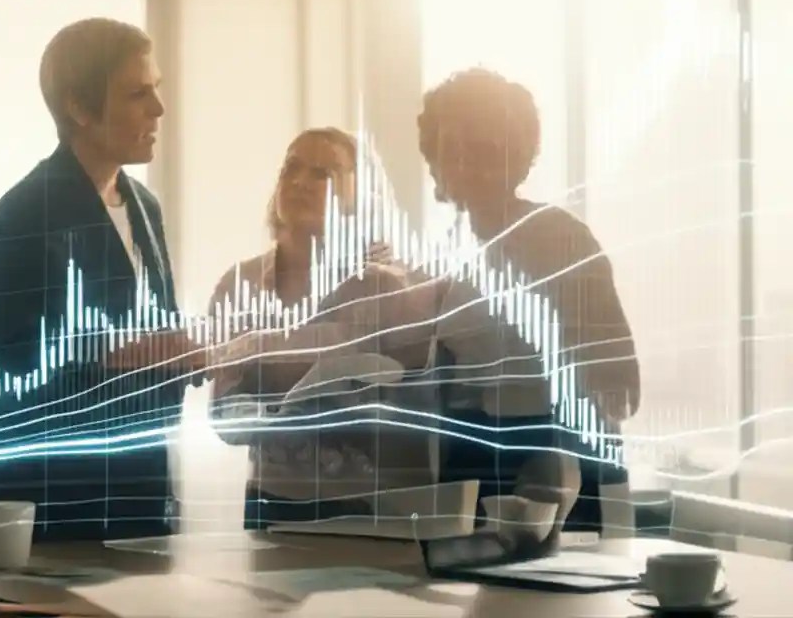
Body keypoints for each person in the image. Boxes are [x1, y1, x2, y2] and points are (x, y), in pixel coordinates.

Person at [0, 18, 198, 542]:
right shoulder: (25, 210)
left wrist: (183, 355)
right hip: (53, 491)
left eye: (156, 89)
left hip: (137, 484)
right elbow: (14, 356)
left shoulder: (144, 206)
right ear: (78, 107)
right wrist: (137, 351)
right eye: (138, 94)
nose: (159, 109)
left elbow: (152, 332)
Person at [417, 67, 640, 535]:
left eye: (482, 149)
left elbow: (616, 381)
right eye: (451, 150)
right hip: (471, 458)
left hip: (553, 463)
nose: (465, 164)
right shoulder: (445, 251)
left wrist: (558, 454)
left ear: (513, 156)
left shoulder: (559, 237)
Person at [205, 128, 436, 528]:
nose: (300, 182)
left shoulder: (385, 288)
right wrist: (279, 415)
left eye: (322, 173)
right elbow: (223, 417)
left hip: (370, 506)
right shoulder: (237, 285)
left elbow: (413, 416)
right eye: (291, 168)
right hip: (270, 502)